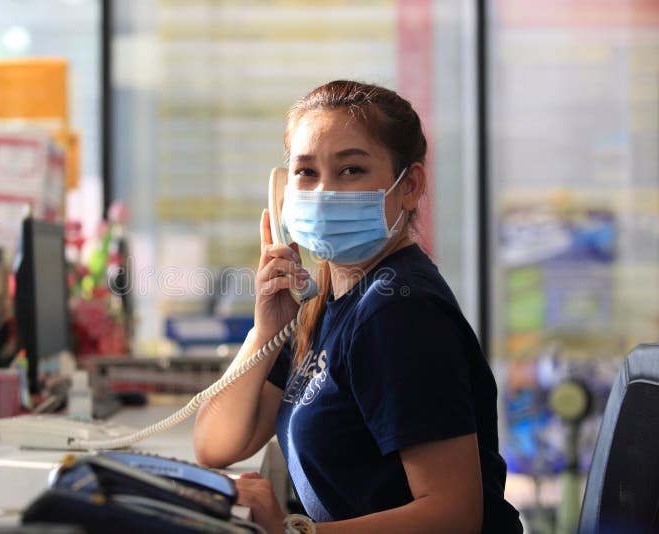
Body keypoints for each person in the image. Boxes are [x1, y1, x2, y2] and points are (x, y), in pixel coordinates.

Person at [193, 80, 522, 533]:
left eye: (351, 170)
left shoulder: (398, 311)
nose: (325, 191)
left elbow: (454, 515)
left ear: (410, 187)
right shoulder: (324, 303)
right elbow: (215, 445)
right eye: (306, 172)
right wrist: (264, 331)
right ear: (282, 191)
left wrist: (293, 532)